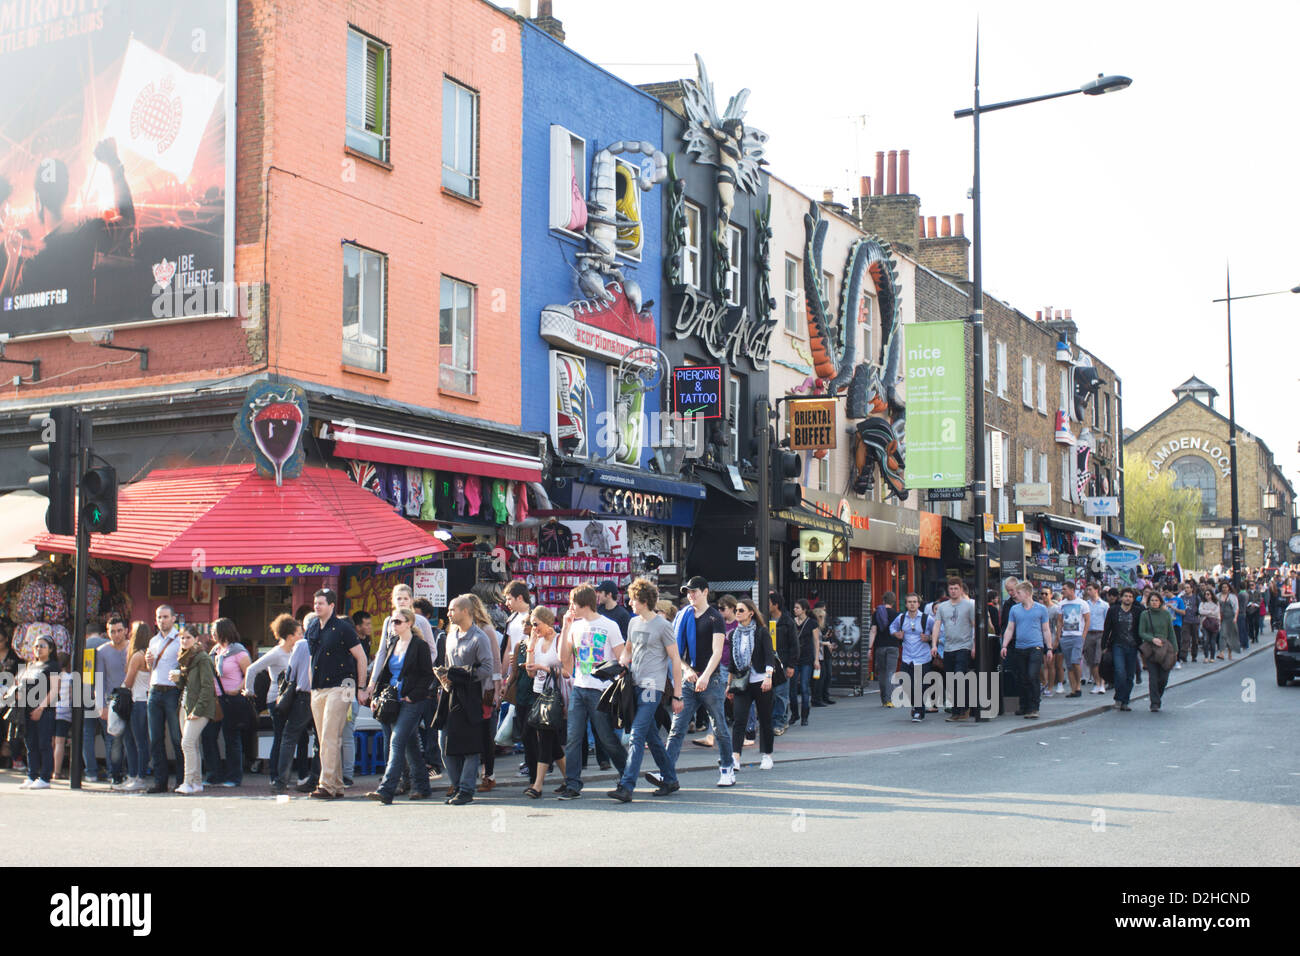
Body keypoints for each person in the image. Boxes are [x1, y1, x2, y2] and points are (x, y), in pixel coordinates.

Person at [610, 579, 684, 802]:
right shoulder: (633, 623)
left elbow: (675, 659)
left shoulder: (663, 626)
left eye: (632, 599)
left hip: (653, 687)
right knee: (651, 736)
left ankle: (626, 786)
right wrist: (620, 665)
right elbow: (627, 651)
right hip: (634, 685)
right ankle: (670, 779)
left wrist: (677, 694)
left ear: (643, 601)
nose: (629, 602)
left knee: (636, 735)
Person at [661, 577, 735, 787]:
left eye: (694, 591)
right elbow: (676, 651)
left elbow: (717, 652)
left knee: (719, 727)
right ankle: (667, 773)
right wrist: (687, 670)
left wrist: (704, 676)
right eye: (688, 592)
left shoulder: (714, 618)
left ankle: (727, 769)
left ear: (705, 592)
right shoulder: (684, 615)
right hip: (689, 680)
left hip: (711, 680)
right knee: (677, 728)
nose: (690, 595)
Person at [556, 585, 627, 798]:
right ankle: (573, 783)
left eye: (573, 604)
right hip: (580, 687)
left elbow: (621, 658)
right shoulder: (575, 627)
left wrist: (615, 679)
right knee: (573, 738)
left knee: (606, 738)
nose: (571, 608)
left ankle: (627, 775)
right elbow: (563, 658)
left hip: (601, 689)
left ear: (584, 604)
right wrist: (566, 627)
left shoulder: (609, 625)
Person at [304, 588, 368, 800]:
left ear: (332, 605)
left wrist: (361, 688)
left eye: (321, 603)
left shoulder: (343, 628)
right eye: (315, 603)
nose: (317, 606)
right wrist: (311, 687)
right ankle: (337, 784)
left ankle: (326, 785)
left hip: (343, 686)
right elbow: (312, 659)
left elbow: (361, 658)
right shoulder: (313, 627)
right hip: (319, 687)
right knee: (325, 739)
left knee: (330, 735)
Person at [366, 607, 434, 804]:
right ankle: (422, 786)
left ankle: (386, 788)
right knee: (410, 744)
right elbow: (385, 673)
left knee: (396, 741)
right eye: (392, 621)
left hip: (412, 700)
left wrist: (413, 696)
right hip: (393, 699)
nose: (393, 625)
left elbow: (427, 675)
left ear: (409, 624)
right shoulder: (393, 642)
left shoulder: (419, 645)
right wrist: (376, 696)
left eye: (398, 621)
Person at [434, 594, 494, 805]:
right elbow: (447, 664)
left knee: (469, 746)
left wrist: (460, 674)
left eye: (452, 609)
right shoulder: (450, 636)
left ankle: (466, 790)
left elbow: (487, 668)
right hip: (450, 695)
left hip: (471, 695)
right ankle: (458, 784)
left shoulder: (479, 637)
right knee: (445, 742)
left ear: (466, 611)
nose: (448, 614)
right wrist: (443, 676)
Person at [725, 599, 776, 772]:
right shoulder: (733, 635)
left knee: (765, 719)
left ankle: (767, 755)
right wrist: (729, 684)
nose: (737, 613)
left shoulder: (761, 632)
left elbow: (770, 656)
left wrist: (768, 677)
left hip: (761, 680)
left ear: (750, 613)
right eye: (735, 610)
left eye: (740, 610)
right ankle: (735, 757)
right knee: (739, 720)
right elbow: (732, 663)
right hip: (742, 683)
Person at [522, 606, 567, 799]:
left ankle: (538, 784)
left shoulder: (559, 641)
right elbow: (530, 672)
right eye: (532, 624)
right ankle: (571, 778)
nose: (534, 628)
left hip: (553, 696)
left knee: (546, 740)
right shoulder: (537, 640)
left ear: (547, 622)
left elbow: (566, 672)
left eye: (536, 624)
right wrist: (531, 644)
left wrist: (544, 667)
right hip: (538, 694)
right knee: (550, 741)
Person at [200, 618, 250, 788]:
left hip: (232, 698)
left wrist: (237, 688)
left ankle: (234, 776)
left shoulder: (238, 651)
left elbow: (249, 674)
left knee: (231, 737)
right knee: (208, 736)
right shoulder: (214, 651)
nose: (212, 634)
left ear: (224, 631)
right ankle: (214, 773)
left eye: (215, 630)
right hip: (215, 699)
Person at [463, 593, 505, 792]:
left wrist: (497, 689)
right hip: (466, 688)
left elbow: (496, 660)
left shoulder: (486, 630)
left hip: (485, 688)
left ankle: (489, 774)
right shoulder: (459, 630)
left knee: (486, 734)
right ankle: (467, 776)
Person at [273, 616, 314, 795]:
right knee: (322, 741)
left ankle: (281, 781)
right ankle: (317, 779)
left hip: (303, 696)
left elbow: (291, 673)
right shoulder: (330, 642)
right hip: (323, 695)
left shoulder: (302, 645)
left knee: (289, 737)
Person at [145, 605, 184, 793]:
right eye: (159, 617)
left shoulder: (180, 640)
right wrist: (148, 663)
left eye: (166, 617)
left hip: (172, 691)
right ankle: (160, 781)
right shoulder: (153, 640)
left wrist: (177, 677)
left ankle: (181, 780)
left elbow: (185, 667)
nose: (162, 620)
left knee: (177, 738)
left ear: (174, 618)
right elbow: (150, 668)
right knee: (156, 739)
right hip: (154, 689)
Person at [173, 631, 217, 793]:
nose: (184, 641)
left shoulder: (202, 658)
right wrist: (178, 680)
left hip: (199, 707)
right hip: (186, 704)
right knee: (193, 745)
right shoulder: (185, 658)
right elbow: (185, 686)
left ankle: (188, 782)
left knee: (187, 743)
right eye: (182, 638)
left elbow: (207, 686)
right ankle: (197, 783)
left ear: (196, 639)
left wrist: (198, 710)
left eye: (188, 638)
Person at [89, 615, 131, 785]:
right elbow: (99, 678)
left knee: (132, 739)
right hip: (112, 699)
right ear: (107, 632)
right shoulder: (102, 651)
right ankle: (115, 774)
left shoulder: (132, 648)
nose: (116, 634)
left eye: (119, 630)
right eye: (112, 631)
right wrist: (101, 706)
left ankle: (133, 772)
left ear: (126, 631)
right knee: (113, 741)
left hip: (132, 697)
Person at [1000, 583, 1052, 719]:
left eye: (1019, 593)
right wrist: (1004, 645)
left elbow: (1046, 630)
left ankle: (1034, 707)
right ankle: (1024, 705)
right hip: (1020, 647)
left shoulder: (1041, 609)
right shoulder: (1014, 609)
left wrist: (1049, 648)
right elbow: (1010, 628)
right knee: (1021, 677)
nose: (1016, 595)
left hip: (1036, 647)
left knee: (1032, 675)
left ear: (1027, 593)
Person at [115, 622, 153, 791]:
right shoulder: (149, 654)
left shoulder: (137, 655)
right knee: (140, 740)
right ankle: (136, 775)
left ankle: (137, 777)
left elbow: (129, 681)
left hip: (136, 701)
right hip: (145, 700)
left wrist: (117, 693)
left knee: (134, 741)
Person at [16, 636, 59, 789]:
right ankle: (31, 774)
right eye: (36, 646)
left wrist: (41, 708)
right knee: (30, 744)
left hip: (44, 710)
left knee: (44, 744)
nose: (38, 649)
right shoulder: (31, 665)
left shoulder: (52, 666)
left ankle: (45, 777)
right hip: (26, 709)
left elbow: (54, 689)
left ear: (51, 649)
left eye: (42, 646)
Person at [934, 578, 977, 720]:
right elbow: (937, 625)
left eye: (956, 588)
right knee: (951, 679)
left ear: (961, 589)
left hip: (964, 646)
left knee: (959, 676)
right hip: (948, 647)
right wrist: (934, 645)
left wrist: (974, 645)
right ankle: (958, 709)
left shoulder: (969, 605)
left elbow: (975, 625)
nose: (953, 591)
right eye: (951, 588)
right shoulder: (942, 607)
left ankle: (961, 710)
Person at [891, 594, 936, 721]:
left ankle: (918, 711)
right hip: (907, 657)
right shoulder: (901, 618)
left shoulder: (927, 619)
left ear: (918, 604)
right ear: (906, 604)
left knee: (920, 686)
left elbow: (939, 632)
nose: (912, 604)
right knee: (904, 683)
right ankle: (916, 705)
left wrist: (929, 638)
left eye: (914, 602)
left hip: (923, 657)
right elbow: (891, 627)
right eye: (909, 602)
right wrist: (897, 634)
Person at [1102, 587, 1142, 712]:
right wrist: (1103, 646)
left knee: (1130, 675)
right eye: (1126, 596)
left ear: (1133, 599)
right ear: (1121, 597)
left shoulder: (1137, 611)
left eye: (1130, 596)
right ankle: (1118, 698)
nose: (1127, 598)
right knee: (1120, 672)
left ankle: (1125, 700)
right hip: (1117, 645)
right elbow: (1107, 628)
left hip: (1132, 645)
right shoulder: (1113, 610)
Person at [1139, 591, 1177, 713]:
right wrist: (1152, 639)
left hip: (1165, 648)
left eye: (1156, 600)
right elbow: (1141, 632)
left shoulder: (1166, 614)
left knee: (1164, 678)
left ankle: (1158, 695)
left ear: (1160, 602)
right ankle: (1154, 702)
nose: (1154, 603)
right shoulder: (1145, 614)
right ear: (1148, 602)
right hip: (1151, 649)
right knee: (1153, 677)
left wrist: (1175, 650)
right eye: (1152, 600)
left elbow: (1171, 633)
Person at [768, 592, 799, 731]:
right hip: (768, 663)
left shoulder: (788, 622)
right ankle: (778, 720)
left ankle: (779, 723)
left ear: (776, 604)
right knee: (772, 694)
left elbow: (794, 645)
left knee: (781, 694)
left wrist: (791, 665)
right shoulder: (765, 620)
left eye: (768, 602)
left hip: (784, 663)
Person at [1056, 581, 1089, 698]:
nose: (1062, 591)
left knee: (1075, 661)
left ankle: (1078, 685)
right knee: (1069, 664)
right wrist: (1058, 637)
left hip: (1077, 636)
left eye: (1064, 589)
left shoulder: (1082, 603)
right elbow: (1059, 622)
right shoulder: (1061, 604)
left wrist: (1083, 635)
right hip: (1066, 636)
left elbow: (1087, 620)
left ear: (1071, 589)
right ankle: (1073, 689)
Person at [869, 591, 900, 708]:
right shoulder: (897, 615)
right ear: (893, 602)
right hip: (893, 646)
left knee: (881, 673)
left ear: (883, 601)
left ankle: (883, 699)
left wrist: (869, 648)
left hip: (879, 647)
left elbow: (873, 631)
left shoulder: (877, 613)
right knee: (890, 672)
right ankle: (889, 699)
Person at [790, 599, 816, 726]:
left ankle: (805, 716)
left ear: (804, 609)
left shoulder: (812, 623)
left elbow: (816, 641)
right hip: (794, 659)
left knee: (805, 687)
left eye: (797, 608)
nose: (795, 610)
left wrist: (816, 659)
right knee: (792, 688)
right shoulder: (791, 622)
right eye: (794, 608)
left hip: (807, 658)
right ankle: (795, 714)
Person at [1083, 583, 1109, 695]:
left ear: (1096, 590)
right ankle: (1096, 683)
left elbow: (1107, 621)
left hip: (1100, 633)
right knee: (1091, 660)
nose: (1088, 591)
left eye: (1090, 589)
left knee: (1099, 660)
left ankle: (1102, 683)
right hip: (1089, 633)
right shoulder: (1085, 605)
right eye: (1087, 589)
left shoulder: (1104, 605)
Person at [1038, 587, 1060, 698]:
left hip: (1051, 638)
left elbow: (1059, 625)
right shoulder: (1039, 608)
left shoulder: (1055, 609)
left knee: (1050, 664)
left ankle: (1050, 687)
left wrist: (1057, 639)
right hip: (1040, 639)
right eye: (1042, 594)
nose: (1044, 596)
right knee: (1043, 664)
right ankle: (1045, 684)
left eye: (1046, 594)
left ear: (1051, 595)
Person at [1180, 582, 1201, 663]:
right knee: (1185, 639)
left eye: (1188, 587)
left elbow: (1200, 608)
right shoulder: (1182, 598)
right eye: (1185, 588)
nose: (1186, 589)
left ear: (1192, 589)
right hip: (1185, 621)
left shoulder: (1196, 598)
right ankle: (1183, 656)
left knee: (1195, 640)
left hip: (1195, 621)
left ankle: (1194, 655)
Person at [1199, 587, 1221, 661]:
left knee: (1212, 641)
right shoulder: (1202, 603)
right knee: (1206, 640)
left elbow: (1216, 613)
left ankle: (1212, 657)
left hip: (1214, 624)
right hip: (1205, 624)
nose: (1206, 596)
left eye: (1208, 594)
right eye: (1205, 594)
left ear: (1211, 595)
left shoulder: (1216, 603)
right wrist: (1210, 612)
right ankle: (1206, 657)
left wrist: (1206, 612)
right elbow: (1200, 611)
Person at [1217, 582, 1237, 662]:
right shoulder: (1218, 596)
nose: (1224, 589)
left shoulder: (1232, 597)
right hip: (1221, 618)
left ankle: (1229, 652)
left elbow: (1236, 607)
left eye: (1225, 587)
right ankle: (1221, 652)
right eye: (1223, 587)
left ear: (1228, 588)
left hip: (1230, 617)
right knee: (1222, 635)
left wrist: (1235, 618)